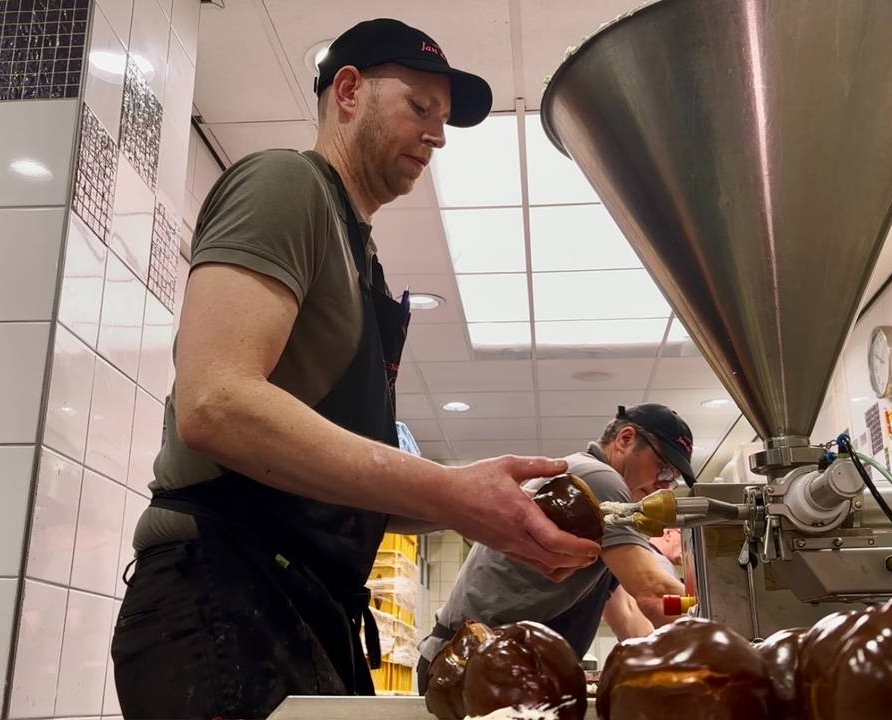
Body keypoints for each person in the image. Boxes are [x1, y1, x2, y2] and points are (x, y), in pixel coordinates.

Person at [110, 18, 599, 719]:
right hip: (221, 597)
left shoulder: (359, 258)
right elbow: (214, 401)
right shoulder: (284, 184)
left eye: (444, 121)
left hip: (302, 607)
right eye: (420, 107)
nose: (437, 134)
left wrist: (486, 508)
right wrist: (451, 492)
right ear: (347, 91)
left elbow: (342, 480)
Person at [417, 404, 697, 690]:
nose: (663, 488)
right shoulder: (599, 480)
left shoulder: (608, 510)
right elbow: (655, 594)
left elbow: (625, 612)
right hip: (469, 668)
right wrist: (710, 636)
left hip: (484, 667)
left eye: (672, 481)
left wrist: (658, 669)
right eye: (664, 470)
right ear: (625, 439)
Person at [601, 529, 684, 640]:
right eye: (684, 536)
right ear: (668, 534)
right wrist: (695, 603)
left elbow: (625, 610)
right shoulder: (656, 560)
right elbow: (661, 601)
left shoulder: (619, 558)